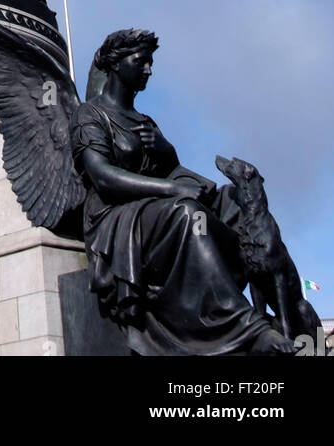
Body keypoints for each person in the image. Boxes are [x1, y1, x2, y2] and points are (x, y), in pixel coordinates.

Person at [70, 30, 292, 356]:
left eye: (150, 62)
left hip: (154, 210)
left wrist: (167, 151)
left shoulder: (146, 121)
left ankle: (280, 313)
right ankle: (245, 328)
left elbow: (170, 169)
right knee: (189, 213)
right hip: (115, 220)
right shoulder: (90, 114)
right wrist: (171, 188)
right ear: (116, 65)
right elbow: (103, 178)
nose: (148, 69)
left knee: (234, 201)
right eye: (141, 61)